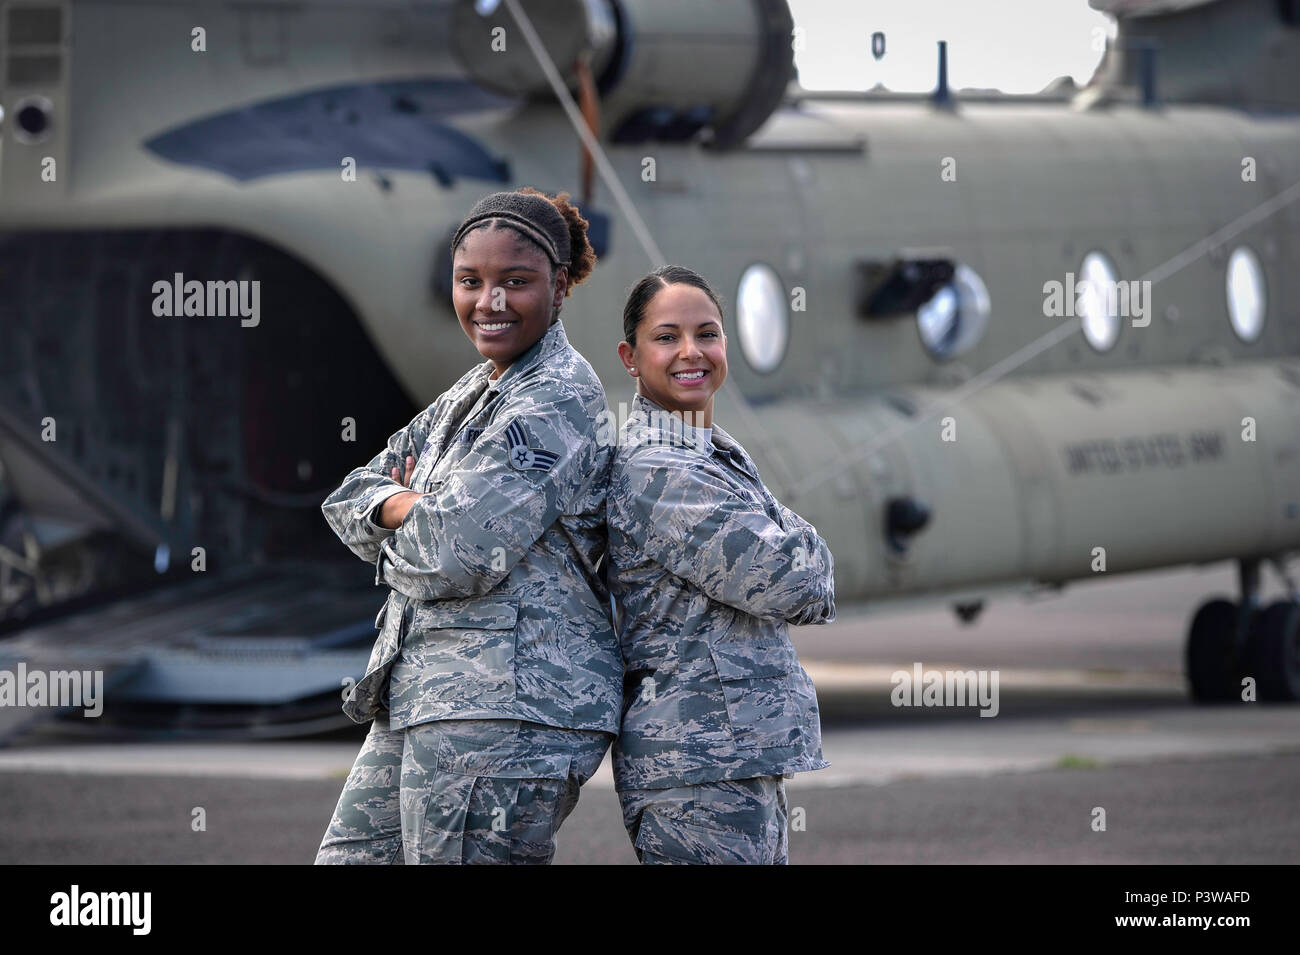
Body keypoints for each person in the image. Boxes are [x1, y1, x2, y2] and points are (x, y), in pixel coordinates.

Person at [315, 188, 620, 864]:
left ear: (560, 286)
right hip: (427, 691)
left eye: (517, 281)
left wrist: (407, 508)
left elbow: (456, 552)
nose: (491, 301)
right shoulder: (474, 392)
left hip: (504, 705)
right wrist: (405, 506)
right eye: (470, 281)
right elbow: (347, 497)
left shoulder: (555, 395)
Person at [608, 264, 836, 864]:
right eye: (667, 337)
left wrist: (795, 544)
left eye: (707, 333)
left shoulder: (709, 452)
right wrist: (805, 540)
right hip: (697, 764)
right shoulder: (660, 469)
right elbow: (796, 583)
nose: (692, 352)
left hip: (729, 754)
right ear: (631, 358)